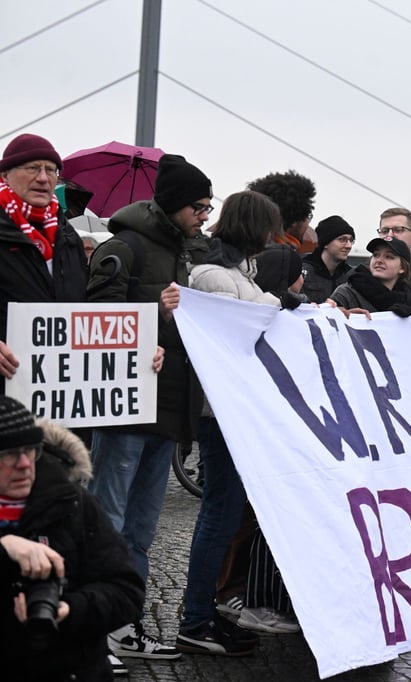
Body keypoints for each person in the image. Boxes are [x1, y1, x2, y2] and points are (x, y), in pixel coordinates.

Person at [85, 153, 213, 660]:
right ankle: (94, 629)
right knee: (108, 519)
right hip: (125, 408)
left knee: (141, 528)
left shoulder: (183, 252)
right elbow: (91, 318)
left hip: (167, 410)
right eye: (200, 206)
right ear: (177, 204)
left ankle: (124, 624)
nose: (206, 215)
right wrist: (150, 315)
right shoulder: (125, 246)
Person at [176, 191, 286, 656]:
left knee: (224, 513)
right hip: (218, 413)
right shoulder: (215, 278)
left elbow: (271, 307)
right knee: (219, 514)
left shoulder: (236, 274)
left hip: (232, 412)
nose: (271, 238)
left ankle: (203, 613)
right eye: (268, 228)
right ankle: (195, 619)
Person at [1, 395, 145, 681]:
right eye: (8, 454)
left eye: (30, 450)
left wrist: (71, 609)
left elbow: (127, 592)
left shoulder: (74, 503)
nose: (24, 464)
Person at [0, 134, 88, 391]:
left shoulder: (68, 235)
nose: (43, 178)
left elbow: (88, 304)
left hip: (57, 393)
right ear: (5, 175)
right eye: (32, 168)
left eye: (51, 170)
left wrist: (136, 347)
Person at [329, 237, 411, 316]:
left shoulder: (407, 301)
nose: (379, 260)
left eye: (388, 257)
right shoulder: (346, 294)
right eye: (376, 255)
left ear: (402, 267)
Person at [247, 170, 317, 253]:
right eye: (307, 217)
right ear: (294, 221)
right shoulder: (284, 258)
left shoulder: (246, 248)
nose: (307, 224)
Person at [300, 215, 354, 304]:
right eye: (342, 239)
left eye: (351, 240)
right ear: (325, 243)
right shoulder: (301, 272)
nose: (349, 245)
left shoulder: (352, 276)